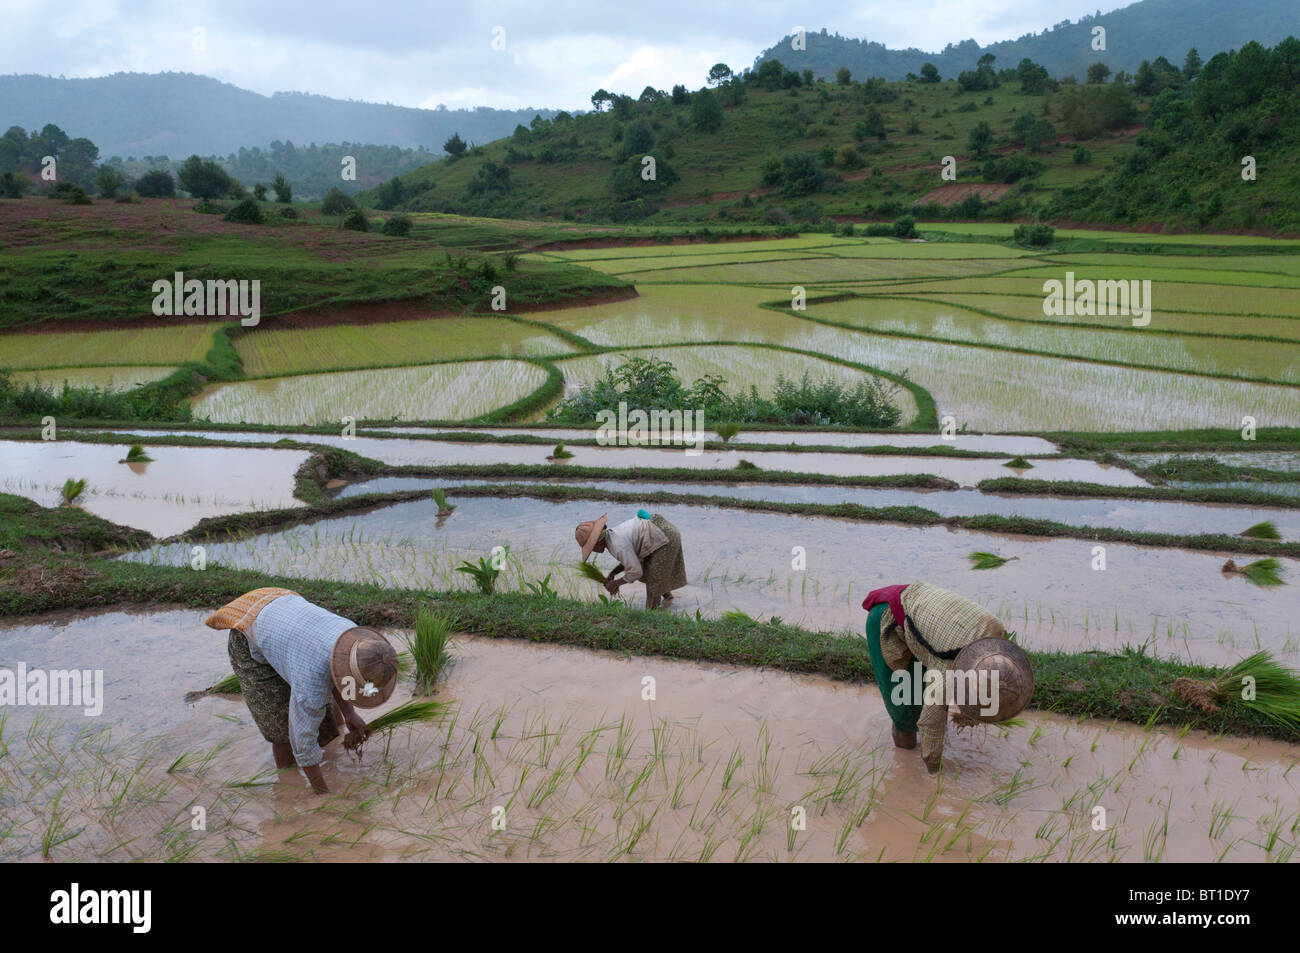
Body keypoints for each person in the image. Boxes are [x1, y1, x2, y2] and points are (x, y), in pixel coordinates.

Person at [205, 588, 399, 794]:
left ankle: (325, 759)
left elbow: (339, 675)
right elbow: (302, 742)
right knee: (282, 731)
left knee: (327, 717)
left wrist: (350, 713)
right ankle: (288, 787)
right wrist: (323, 795)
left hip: (284, 614)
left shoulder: (354, 638)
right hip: (251, 629)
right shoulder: (312, 681)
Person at [862, 581, 1033, 773]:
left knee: (924, 692)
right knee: (904, 708)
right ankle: (904, 763)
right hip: (887, 617)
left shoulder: (996, 636)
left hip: (932, 626)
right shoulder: (948, 670)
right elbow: (930, 722)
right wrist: (934, 772)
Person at [575, 510, 687, 609]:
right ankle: (668, 601)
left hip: (664, 537)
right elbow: (631, 561)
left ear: (597, 541)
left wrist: (615, 584)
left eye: (591, 547)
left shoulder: (616, 546)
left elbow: (636, 572)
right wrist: (613, 572)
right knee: (655, 575)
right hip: (660, 530)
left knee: (654, 583)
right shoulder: (612, 536)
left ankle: (650, 617)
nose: (593, 550)